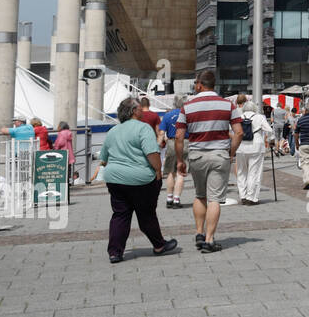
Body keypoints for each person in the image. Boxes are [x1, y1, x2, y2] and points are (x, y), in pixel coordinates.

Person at [100, 97, 178, 263]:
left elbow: (104, 159)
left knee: (120, 214)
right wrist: (158, 171)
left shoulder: (113, 131)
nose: (142, 110)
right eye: (140, 108)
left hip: (114, 179)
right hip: (140, 179)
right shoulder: (143, 128)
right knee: (146, 214)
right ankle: (159, 245)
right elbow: (152, 153)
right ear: (134, 111)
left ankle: (115, 252)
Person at [174, 70, 242, 253]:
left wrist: (180, 160)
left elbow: (179, 136)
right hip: (220, 155)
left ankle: (199, 232)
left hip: (197, 155)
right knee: (215, 199)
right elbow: (239, 132)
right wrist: (230, 152)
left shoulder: (187, 106)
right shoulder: (228, 105)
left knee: (200, 195)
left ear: (199, 85)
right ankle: (210, 239)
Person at [236, 100, 272, 205]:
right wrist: (271, 141)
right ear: (254, 108)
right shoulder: (259, 117)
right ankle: (251, 197)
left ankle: (242, 195)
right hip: (256, 146)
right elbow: (269, 130)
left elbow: (232, 131)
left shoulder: (239, 117)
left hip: (241, 147)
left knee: (241, 172)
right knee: (254, 172)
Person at [159, 103, 184, 208]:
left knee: (170, 171)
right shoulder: (186, 114)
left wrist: (159, 144)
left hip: (171, 142)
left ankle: (169, 198)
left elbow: (161, 133)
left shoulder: (167, 115)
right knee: (181, 172)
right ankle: (176, 199)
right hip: (184, 143)